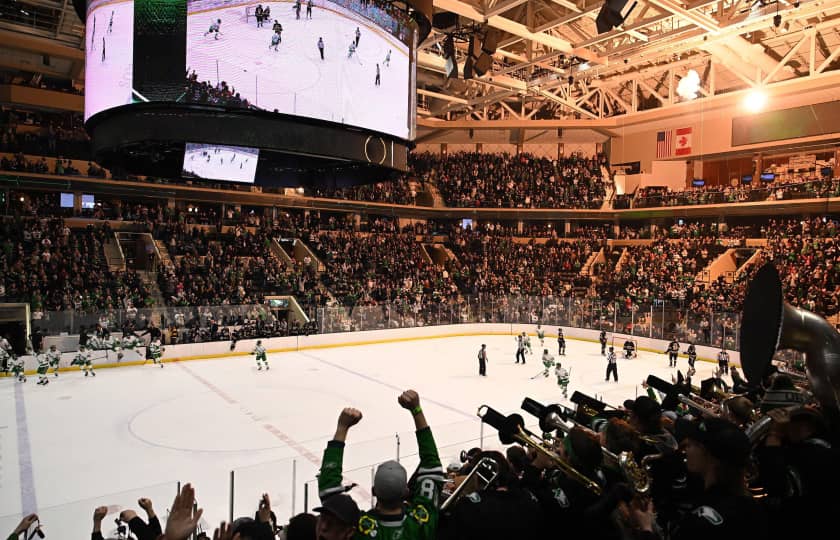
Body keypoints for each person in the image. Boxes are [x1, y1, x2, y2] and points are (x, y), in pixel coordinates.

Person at [318, 390, 444, 540]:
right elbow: (432, 466)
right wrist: (416, 410)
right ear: (406, 492)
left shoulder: (359, 529)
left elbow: (329, 491)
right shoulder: (422, 520)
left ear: (373, 491)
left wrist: (342, 428)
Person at [628, 417, 769, 540]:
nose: (686, 449)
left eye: (691, 444)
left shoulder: (701, 522)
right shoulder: (752, 506)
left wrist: (647, 528)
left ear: (707, 454)